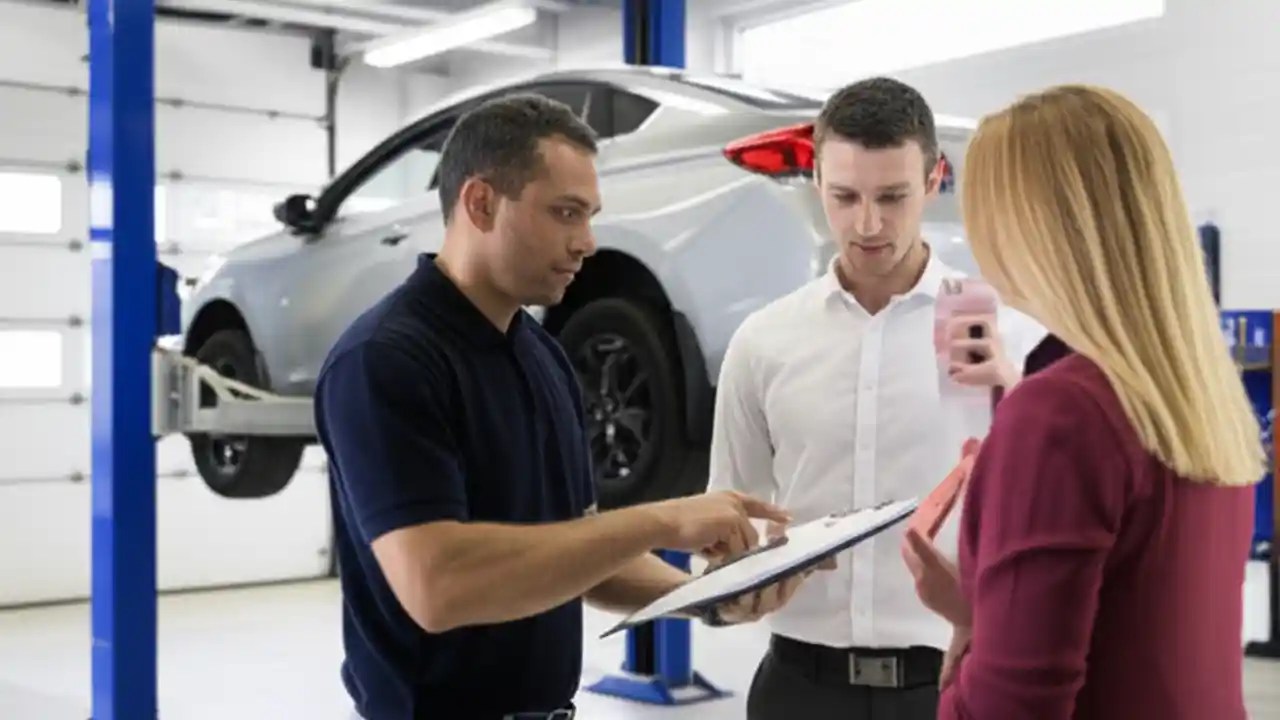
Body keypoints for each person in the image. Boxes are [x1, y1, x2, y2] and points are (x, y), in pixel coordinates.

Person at [315, 94, 815, 720]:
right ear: (480, 203)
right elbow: (437, 586)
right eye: (565, 213)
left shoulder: (544, 359)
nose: (586, 242)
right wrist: (662, 521)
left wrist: (706, 595)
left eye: (590, 216)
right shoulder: (386, 360)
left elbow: (584, 554)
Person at [902, 84, 1264, 720]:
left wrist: (965, 654)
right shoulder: (1199, 396)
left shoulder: (1057, 415)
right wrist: (979, 604)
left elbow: (1011, 710)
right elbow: (1141, 627)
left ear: (1033, 227)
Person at [706, 76, 1046, 720]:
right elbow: (730, 509)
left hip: (952, 682)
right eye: (845, 196)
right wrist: (739, 576)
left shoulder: (1005, 333)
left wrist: (1017, 396)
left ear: (934, 178)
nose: (868, 224)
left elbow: (1050, 512)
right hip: (797, 689)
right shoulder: (763, 341)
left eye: (892, 196)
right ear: (815, 181)